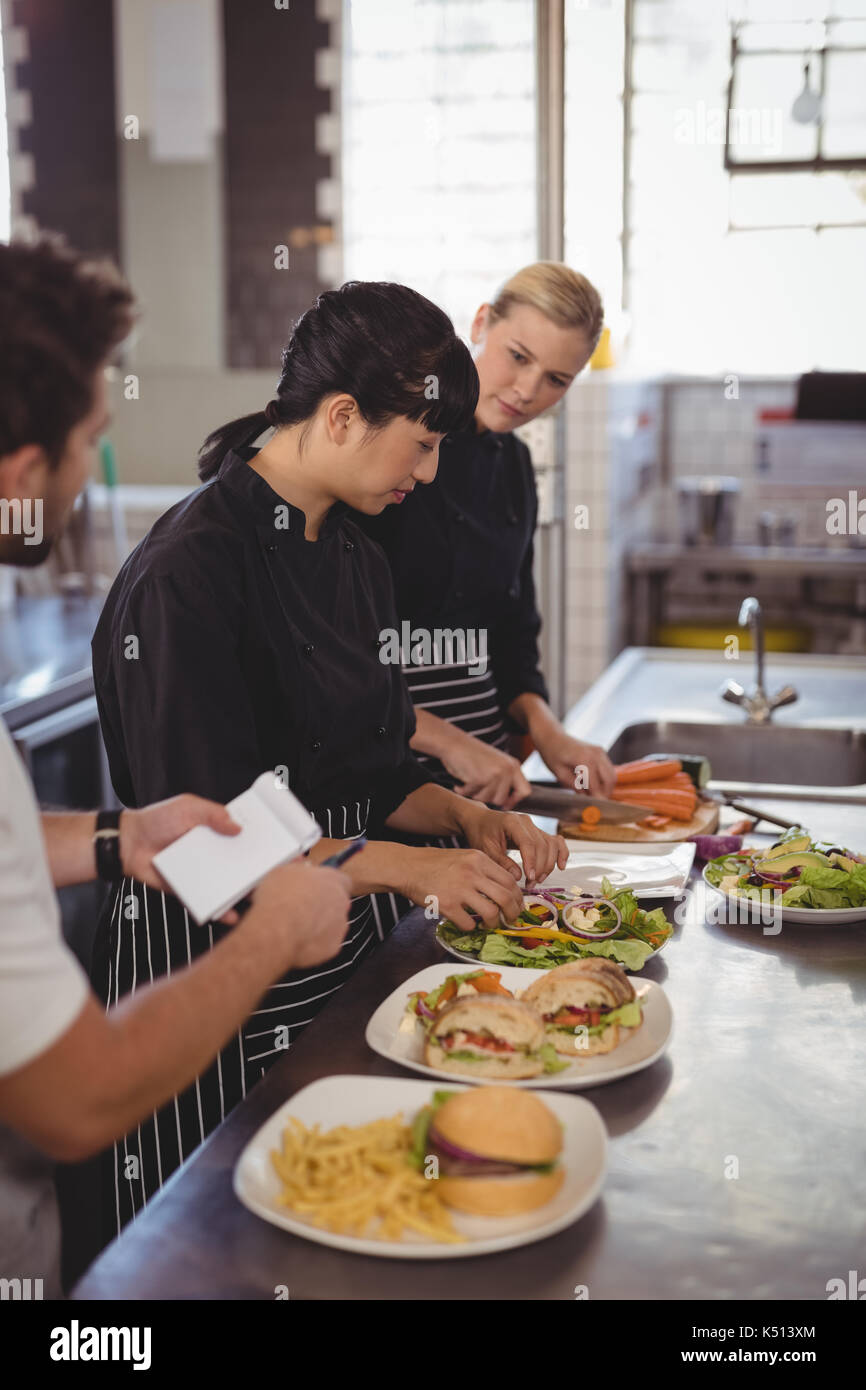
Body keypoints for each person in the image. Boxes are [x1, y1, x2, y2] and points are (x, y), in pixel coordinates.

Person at [91, 279, 568, 1230]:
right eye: (424, 444)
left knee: (339, 1222)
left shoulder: (354, 555)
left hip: (331, 961)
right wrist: (411, 870)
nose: (429, 476)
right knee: (211, 1248)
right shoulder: (188, 574)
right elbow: (210, 845)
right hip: (205, 979)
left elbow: (376, 768)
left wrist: (464, 815)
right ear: (343, 416)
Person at [0, 234, 352, 1298]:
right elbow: (80, 1096)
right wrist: (274, 938)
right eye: (89, 440)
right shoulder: (185, 569)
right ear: (24, 471)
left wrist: (117, 836)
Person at [357, 262, 616, 810]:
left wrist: (548, 733)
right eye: (518, 357)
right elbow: (334, 659)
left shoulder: (517, 466)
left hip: (490, 784)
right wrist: (450, 744)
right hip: (386, 781)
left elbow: (513, 636)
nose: (527, 390)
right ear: (479, 324)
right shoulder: (385, 451)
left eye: (556, 379)